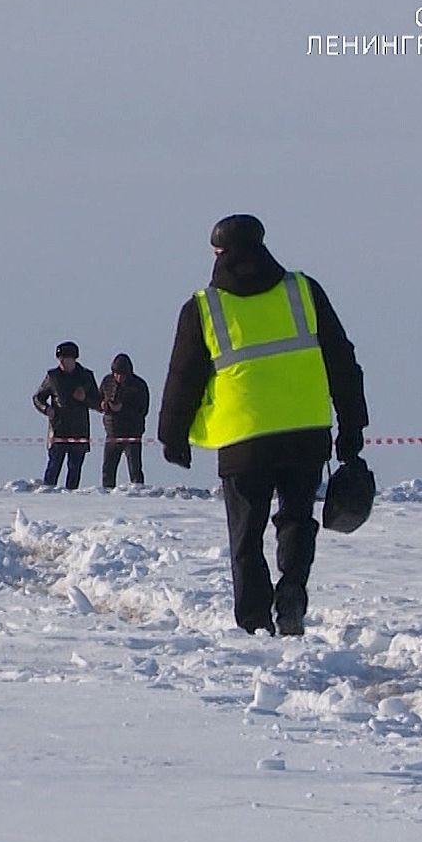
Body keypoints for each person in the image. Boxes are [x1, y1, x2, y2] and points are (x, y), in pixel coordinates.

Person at [157, 214, 369, 636]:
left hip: (244, 438)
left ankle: (255, 623)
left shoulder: (204, 308)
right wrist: (352, 425)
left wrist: (173, 435)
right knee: (296, 517)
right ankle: (292, 590)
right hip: (305, 430)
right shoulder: (303, 291)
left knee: (246, 535)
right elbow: (342, 360)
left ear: (218, 253)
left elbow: (183, 376)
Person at [32, 341, 99, 489]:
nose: (61, 362)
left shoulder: (86, 377)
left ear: (73, 358)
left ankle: (71, 498)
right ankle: (47, 494)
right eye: (59, 358)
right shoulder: (53, 376)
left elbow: (98, 403)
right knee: (53, 467)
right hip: (58, 429)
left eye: (65, 358)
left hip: (79, 429)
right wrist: (46, 409)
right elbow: (38, 397)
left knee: (74, 469)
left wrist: (85, 399)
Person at [99, 352, 150, 488]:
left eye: (122, 374)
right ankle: (107, 496)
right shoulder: (107, 382)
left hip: (132, 433)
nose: (119, 377)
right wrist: (102, 405)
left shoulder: (139, 386)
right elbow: (97, 399)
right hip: (112, 433)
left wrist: (122, 409)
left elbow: (143, 410)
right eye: (116, 374)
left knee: (135, 470)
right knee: (107, 470)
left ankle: (138, 493)